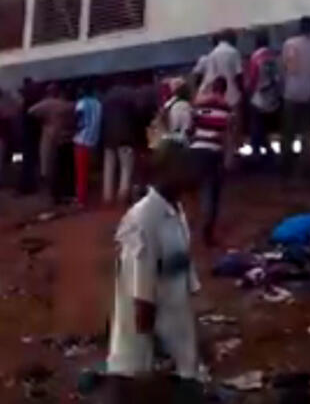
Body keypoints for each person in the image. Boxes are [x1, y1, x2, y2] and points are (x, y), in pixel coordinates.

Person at [106, 138, 203, 401]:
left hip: (176, 352)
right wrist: (158, 358)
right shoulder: (143, 220)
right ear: (166, 171)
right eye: (184, 167)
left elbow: (183, 281)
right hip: (144, 363)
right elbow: (142, 299)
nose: (192, 174)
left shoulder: (176, 213)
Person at [191, 77, 233, 246]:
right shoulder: (227, 108)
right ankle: (207, 232)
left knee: (201, 190)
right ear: (224, 90)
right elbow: (226, 135)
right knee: (212, 193)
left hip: (196, 151)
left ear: (212, 88)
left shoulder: (200, 106)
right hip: (214, 152)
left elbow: (192, 126)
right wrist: (229, 158)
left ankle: (196, 226)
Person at [193, 29, 244, 166]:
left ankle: (217, 159)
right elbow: (239, 76)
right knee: (231, 131)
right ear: (231, 39)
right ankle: (229, 161)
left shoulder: (212, 54)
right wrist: (243, 92)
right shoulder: (233, 52)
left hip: (215, 95)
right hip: (231, 97)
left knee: (216, 130)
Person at [280, 16, 310, 179]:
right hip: (308, 92)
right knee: (306, 132)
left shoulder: (290, 44)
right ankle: (306, 166)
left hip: (292, 92)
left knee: (289, 132)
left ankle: (287, 167)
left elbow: (288, 67)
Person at [29, 84, 76, 205]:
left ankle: (53, 193)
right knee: (63, 167)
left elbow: (31, 111)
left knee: (49, 165)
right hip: (65, 137)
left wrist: (43, 121)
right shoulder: (67, 105)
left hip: (49, 137)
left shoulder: (47, 104)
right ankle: (66, 192)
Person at [246, 29, 281, 164]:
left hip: (259, 98)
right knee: (262, 127)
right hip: (271, 97)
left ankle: (257, 153)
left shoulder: (256, 57)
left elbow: (253, 78)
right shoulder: (272, 56)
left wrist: (249, 92)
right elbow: (277, 77)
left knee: (255, 126)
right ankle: (268, 152)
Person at [101, 81, 138, 205]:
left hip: (108, 138)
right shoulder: (129, 100)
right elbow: (134, 118)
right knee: (126, 167)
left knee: (108, 167)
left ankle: (107, 196)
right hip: (125, 138)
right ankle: (123, 195)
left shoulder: (105, 100)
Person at [73, 86, 102, 207]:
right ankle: (90, 197)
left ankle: (82, 200)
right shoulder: (98, 104)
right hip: (94, 140)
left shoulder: (82, 103)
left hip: (82, 140)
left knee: (81, 172)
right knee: (91, 171)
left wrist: (74, 129)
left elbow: (77, 118)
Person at [18, 78, 42, 195]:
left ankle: (26, 185)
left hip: (25, 135)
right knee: (29, 161)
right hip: (31, 136)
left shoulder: (25, 103)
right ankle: (28, 185)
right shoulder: (32, 102)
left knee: (25, 161)